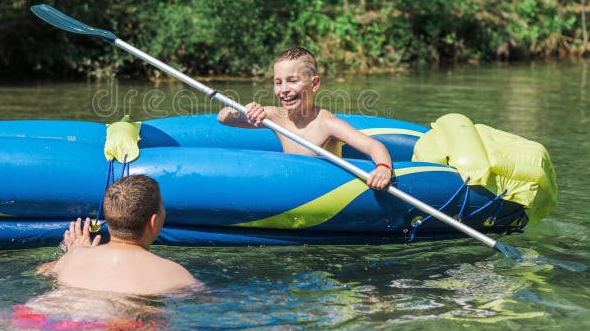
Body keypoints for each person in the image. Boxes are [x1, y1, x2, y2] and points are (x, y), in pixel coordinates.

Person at [217, 46, 393, 190]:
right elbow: (223, 118)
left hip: (323, 189)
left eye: (292, 81)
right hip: (290, 185)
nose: (284, 89)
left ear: (314, 84)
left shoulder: (327, 124)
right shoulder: (275, 117)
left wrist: (383, 168)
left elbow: (374, 146)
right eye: (278, 82)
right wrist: (242, 111)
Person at [38, 174, 200, 295]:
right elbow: (208, 298)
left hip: (43, 314)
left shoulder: (74, 258)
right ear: (154, 221)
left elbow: (41, 272)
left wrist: (76, 253)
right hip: (117, 329)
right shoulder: (175, 274)